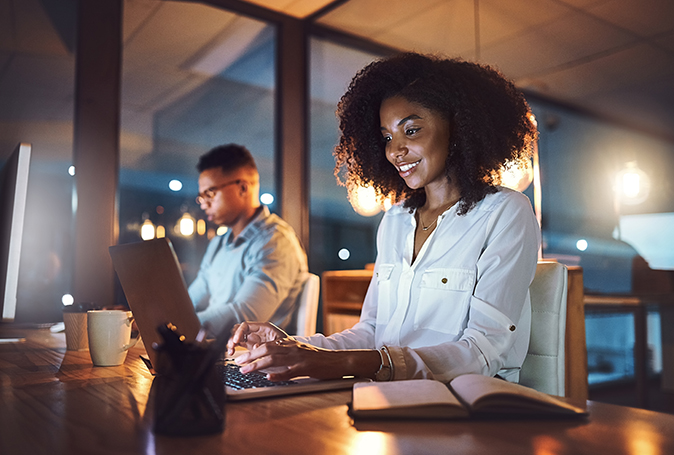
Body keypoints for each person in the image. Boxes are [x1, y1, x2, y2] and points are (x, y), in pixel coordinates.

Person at [228, 53, 540, 384]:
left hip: (464, 409)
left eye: (412, 130)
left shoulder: (506, 213)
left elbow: (482, 352)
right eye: (388, 137)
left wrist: (345, 363)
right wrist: (291, 348)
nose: (394, 151)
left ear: (460, 127)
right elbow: (373, 332)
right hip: (386, 398)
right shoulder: (395, 221)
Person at [188, 144, 309, 336]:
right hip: (213, 350)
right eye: (201, 197)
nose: (204, 204)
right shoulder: (219, 243)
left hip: (252, 358)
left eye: (210, 193)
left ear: (243, 188)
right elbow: (192, 299)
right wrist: (157, 318)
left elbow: (245, 315)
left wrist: (177, 323)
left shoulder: (275, 242)